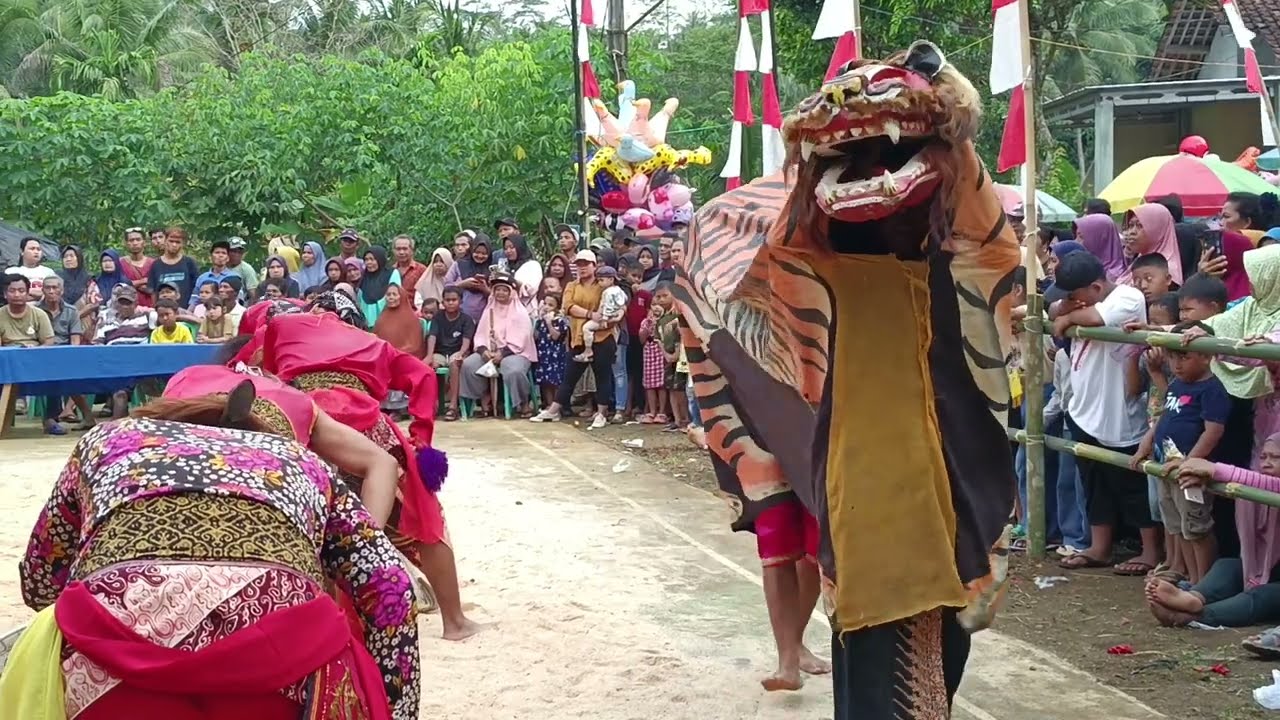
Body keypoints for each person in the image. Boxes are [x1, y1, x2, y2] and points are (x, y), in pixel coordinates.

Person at [5, 388, 419, 719]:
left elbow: (42, 577)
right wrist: (394, 703)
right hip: (284, 674)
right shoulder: (303, 461)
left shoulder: (107, 438)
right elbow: (391, 589)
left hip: (105, 671)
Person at [253, 298, 481, 642]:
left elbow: (255, 362)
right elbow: (423, 376)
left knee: (314, 527)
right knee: (425, 518)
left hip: (307, 426)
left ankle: (327, 624)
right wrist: (421, 439)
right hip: (368, 430)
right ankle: (455, 622)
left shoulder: (283, 326)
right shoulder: (374, 344)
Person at [1050, 252, 1161, 575]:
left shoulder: (1128, 296)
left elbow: (1096, 319)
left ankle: (1151, 552)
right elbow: (1055, 308)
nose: (1071, 301)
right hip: (1084, 406)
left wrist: (1069, 318)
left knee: (1130, 483)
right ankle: (1099, 548)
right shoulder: (1085, 300)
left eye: (1076, 295)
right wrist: (1066, 310)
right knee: (1093, 482)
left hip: (1118, 409)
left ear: (1096, 287)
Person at [1142, 438, 1280, 630]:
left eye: (1276, 457)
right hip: (1268, 567)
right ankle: (1193, 598)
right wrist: (1202, 475)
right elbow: (1249, 482)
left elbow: (1268, 484)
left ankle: (1194, 616)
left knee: (1262, 596)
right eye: (1263, 456)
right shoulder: (1253, 486)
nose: (1266, 462)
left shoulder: (1261, 483)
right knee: (1227, 566)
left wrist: (1215, 470)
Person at [1133, 321, 1228, 584]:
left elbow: (1213, 431)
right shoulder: (1177, 384)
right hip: (1166, 466)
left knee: (1196, 527)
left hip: (1188, 473)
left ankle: (1203, 584)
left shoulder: (1212, 390)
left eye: (1184, 356)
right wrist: (1147, 441)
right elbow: (1166, 414)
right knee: (1178, 526)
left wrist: (1190, 462)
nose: (1177, 364)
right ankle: (1189, 576)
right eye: (1173, 357)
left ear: (1207, 356)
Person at [529, 249, 617, 430]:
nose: (582, 268)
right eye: (579, 264)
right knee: (569, 376)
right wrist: (591, 314)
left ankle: (601, 413)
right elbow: (568, 306)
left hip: (602, 335)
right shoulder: (571, 286)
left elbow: (611, 305)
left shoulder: (603, 286)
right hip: (578, 337)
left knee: (602, 375)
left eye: (586, 264)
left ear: (594, 265)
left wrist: (601, 317)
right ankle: (554, 410)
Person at [460, 271, 538, 417]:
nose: (500, 293)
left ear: (511, 292)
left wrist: (502, 353)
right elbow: (481, 335)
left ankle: (523, 403)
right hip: (490, 351)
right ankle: (484, 398)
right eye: (497, 290)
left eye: (504, 290)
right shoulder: (489, 309)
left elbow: (520, 339)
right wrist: (483, 351)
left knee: (513, 369)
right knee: (469, 365)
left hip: (515, 352)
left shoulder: (519, 312)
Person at [0, 273, 63, 435]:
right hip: (7, 363)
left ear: (28, 293)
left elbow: (49, 341)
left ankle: (51, 419)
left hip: (36, 359)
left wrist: (35, 350)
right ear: (4, 294)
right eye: (12, 291)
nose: (17, 295)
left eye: (21, 290)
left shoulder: (39, 314)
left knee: (56, 376)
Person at [38, 275, 93, 430]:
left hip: (65, 354)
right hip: (41, 354)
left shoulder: (71, 311)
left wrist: (68, 358)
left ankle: (87, 417)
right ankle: (51, 418)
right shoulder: (35, 310)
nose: (51, 291)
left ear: (61, 290)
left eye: (55, 288)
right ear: (42, 290)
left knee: (68, 377)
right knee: (52, 375)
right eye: (47, 288)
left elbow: (75, 341)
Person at [428, 286, 478, 421]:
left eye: (454, 300)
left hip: (457, 350)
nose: (450, 303)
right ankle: (432, 404)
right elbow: (432, 336)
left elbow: (466, 341)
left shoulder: (466, 319)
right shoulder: (438, 317)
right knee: (430, 366)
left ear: (460, 301)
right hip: (440, 352)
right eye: (447, 300)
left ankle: (453, 406)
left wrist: (461, 353)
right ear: (442, 302)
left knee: (454, 365)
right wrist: (429, 355)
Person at [1119, 204, 1184, 286]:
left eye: (1140, 226)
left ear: (1157, 230)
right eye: (1131, 225)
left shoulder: (1166, 270)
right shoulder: (1139, 260)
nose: (1132, 232)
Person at [574, 266, 626, 363]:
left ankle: (588, 350)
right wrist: (620, 310)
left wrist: (604, 318)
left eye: (601, 280)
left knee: (586, 327)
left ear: (611, 279)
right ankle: (613, 352)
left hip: (605, 317)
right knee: (615, 331)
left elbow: (607, 306)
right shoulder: (619, 290)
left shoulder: (607, 292)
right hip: (614, 316)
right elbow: (624, 300)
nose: (599, 283)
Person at [147, 227, 201, 306]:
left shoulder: (189, 263)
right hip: (163, 311)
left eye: (178, 242)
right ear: (165, 241)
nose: (174, 245)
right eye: (171, 241)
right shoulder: (156, 264)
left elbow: (196, 289)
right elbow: (153, 292)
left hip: (186, 311)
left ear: (182, 244)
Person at [533, 293, 569, 409]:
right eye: (545, 304)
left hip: (555, 354)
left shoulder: (559, 320)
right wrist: (538, 319)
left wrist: (549, 323)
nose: (547, 307)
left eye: (551, 305)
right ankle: (548, 405)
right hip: (543, 353)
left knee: (556, 380)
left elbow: (555, 336)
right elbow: (535, 336)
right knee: (545, 381)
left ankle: (557, 406)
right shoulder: (540, 320)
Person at [443, 237, 493, 319]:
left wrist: (485, 289)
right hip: (460, 314)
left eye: (484, 253)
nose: (480, 256)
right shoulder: (459, 264)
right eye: (477, 252)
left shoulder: (492, 268)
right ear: (471, 250)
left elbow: (499, 294)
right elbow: (446, 286)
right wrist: (463, 284)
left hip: (485, 317)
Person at [1073, 214, 1127, 281]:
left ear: (1099, 239)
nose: (1076, 242)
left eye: (1081, 237)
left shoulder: (1114, 277)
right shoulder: (1090, 268)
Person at [357, 246, 400, 327]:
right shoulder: (364, 277)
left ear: (380, 259)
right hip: (366, 324)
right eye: (366, 259)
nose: (368, 262)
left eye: (372, 259)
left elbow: (396, 295)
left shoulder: (392, 273)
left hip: (388, 322)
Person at [638, 301, 666, 422]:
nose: (656, 308)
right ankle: (652, 411)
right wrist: (648, 325)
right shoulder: (645, 322)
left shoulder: (666, 320)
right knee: (649, 383)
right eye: (653, 305)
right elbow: (641, 340)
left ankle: (662, 412)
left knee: (661, 384)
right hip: (649, 351)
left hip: (661, 350)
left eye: (658, 305)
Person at [501, 234, 542, 315]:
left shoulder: (532, 265)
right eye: (505, 248)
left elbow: (530, 290)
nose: (508, 251)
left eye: (512, 247)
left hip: (526, 312)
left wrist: (512, 281)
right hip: (506, 312)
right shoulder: (505, 266)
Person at [6, 237, 55, 303]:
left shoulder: (48, 272)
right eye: (32, 249)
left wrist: (23, 292)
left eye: (38, 249)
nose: (36, 252)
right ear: (22, 252)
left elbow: (51, 294)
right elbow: (9, 296)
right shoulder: (11, 272)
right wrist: (39, 295)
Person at [190, 240, 234, 309]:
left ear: (228, 258)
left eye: (224, 253)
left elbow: (238, 300)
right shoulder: (202, 278)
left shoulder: (234, 277)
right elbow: (194, 300)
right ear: (210, 257)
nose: (220, 255)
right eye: (217, 252)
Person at [119, 227, 155, 306]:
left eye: (138, 239)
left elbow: (155, 286)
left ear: (144, 242)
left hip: (150, 308)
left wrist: (133, 283)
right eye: (131, 240)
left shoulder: (153, 263)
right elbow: (120, 286)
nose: (135, 243)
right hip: (127, 308)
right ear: (126, 243)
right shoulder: (120, 263)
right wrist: (144, 281)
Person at [415, 246, 454, 311]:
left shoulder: (456, 280)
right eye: (435, 261)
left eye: (442, 261)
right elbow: (418, 302)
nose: (438, 264)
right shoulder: (424, 282)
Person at [225, 236, 258, 301]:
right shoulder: (221, 267)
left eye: (240, 252)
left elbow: (253, 294)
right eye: (233, 251)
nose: (237, 254)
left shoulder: (247, 269)